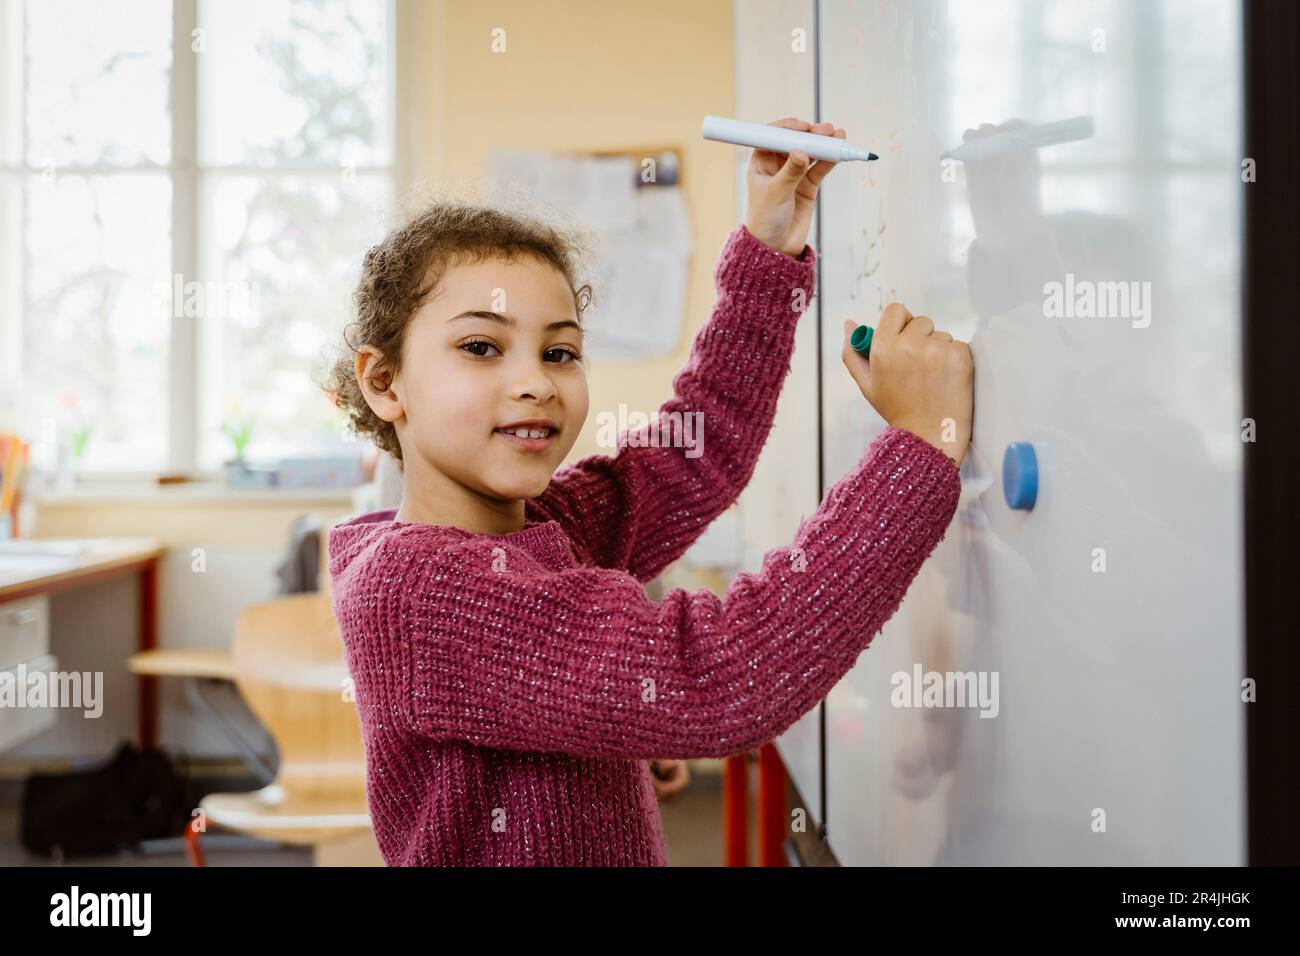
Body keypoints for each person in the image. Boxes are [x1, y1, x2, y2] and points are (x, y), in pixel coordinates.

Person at [323, 118, 974, 866]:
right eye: (481, 346)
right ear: (384, 382)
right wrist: (916, 451)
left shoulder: (538, 526)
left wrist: (768, 253)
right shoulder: (423, 589)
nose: (535, 381)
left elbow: (695, 451)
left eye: (560, 351)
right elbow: (719, 677)